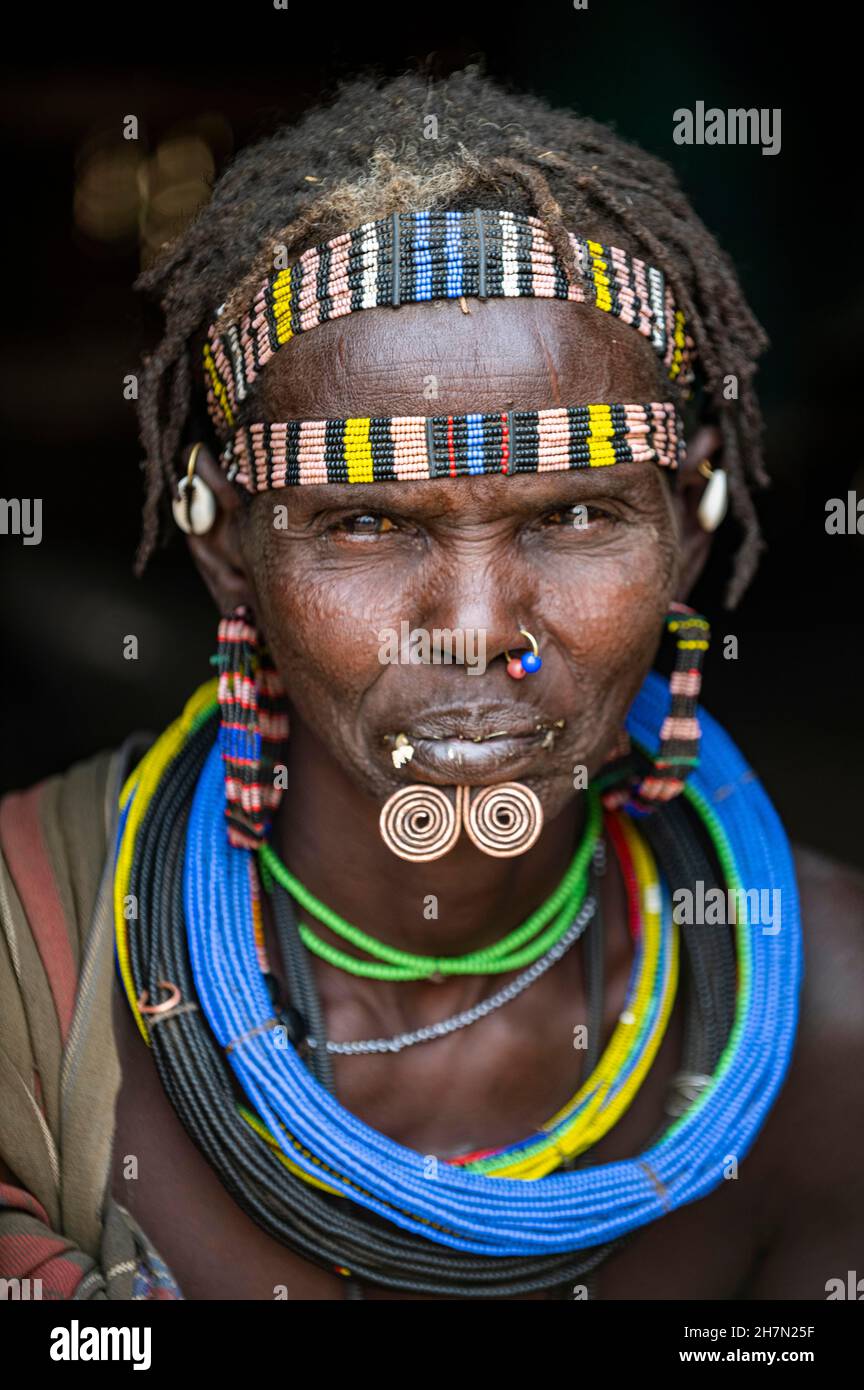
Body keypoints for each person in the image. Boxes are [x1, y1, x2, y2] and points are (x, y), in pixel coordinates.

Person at [1, 67, 862, 1303]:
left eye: (574, 513)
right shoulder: (26, 968)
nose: (475, 630)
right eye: (364, 523)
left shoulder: (838, 1025)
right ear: (226, 541)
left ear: (689, 519)